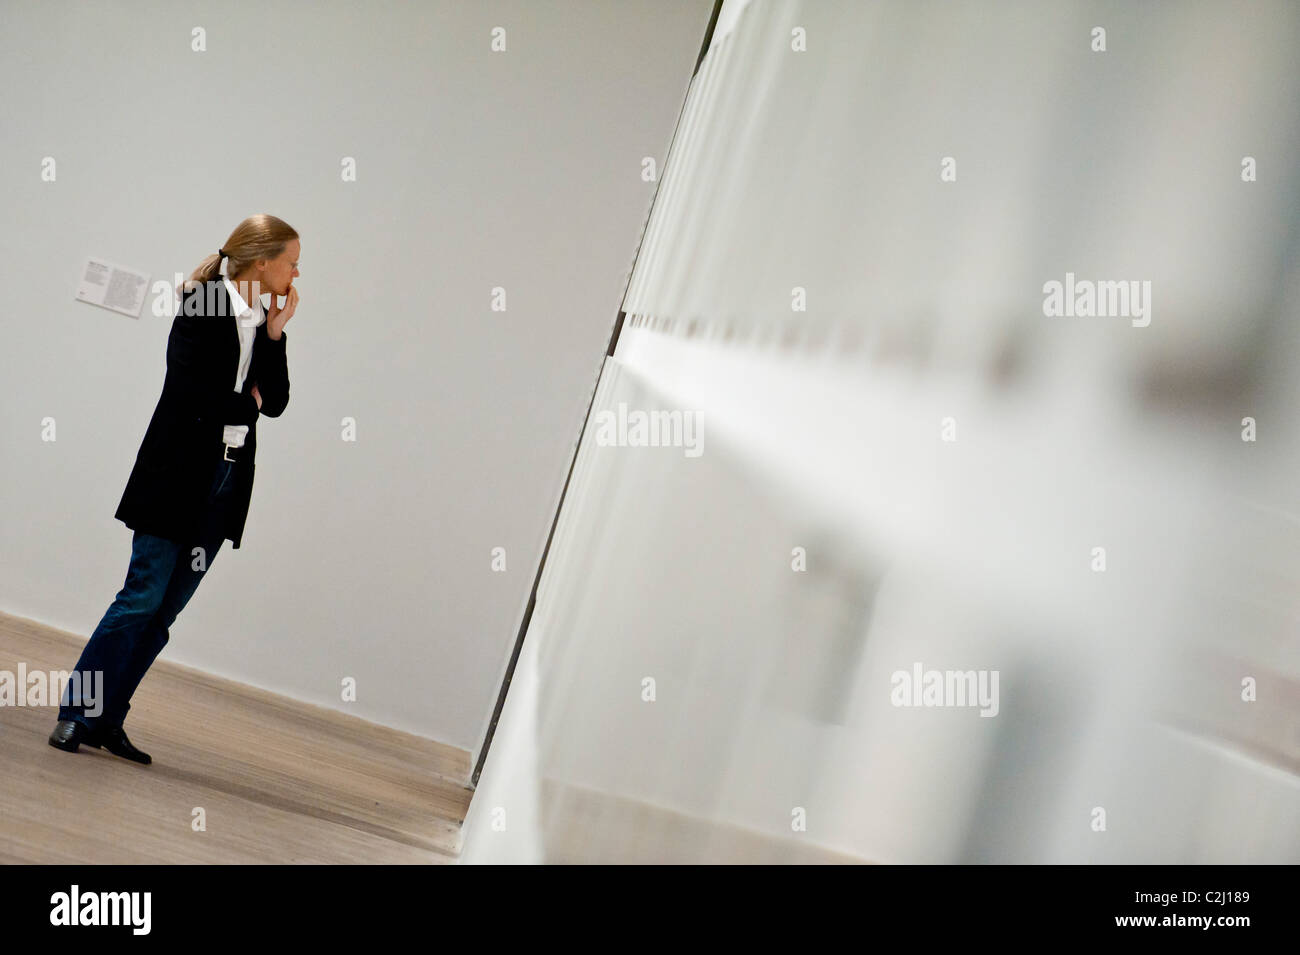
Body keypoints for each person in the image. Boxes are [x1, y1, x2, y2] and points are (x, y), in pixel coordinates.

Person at [49, 214, 301, 764]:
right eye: (291, 262)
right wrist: (248, 404)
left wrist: (277, 334)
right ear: (262, 263)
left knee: (164, 613)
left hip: (226, 480)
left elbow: (276, 400)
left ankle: (108, 719)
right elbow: (194, 398)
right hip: (177, 476)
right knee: (139, 599)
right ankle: (75, 715)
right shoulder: (200, 305)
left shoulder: (263, 318)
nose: (297, 273)